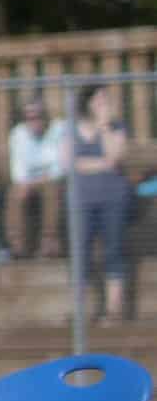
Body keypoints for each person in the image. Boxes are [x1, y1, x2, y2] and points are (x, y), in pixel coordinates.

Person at [67, 84, 133, 323]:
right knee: (80, 253)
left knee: (113, 251)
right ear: (89, 103)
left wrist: (104, 127)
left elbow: (115, 157)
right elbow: (69, 163)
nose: (105, 103)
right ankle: (80, 311)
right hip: (82, 201)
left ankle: (114, 310)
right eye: (100, 99)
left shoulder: (117, 127)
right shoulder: (73, 129)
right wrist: (102, 163)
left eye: (107, 99)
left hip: (113, 199)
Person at [3, 93, 67, 261]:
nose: (34, 121)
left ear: (45, 116)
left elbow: (61, 168)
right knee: (15, 193)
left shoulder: (60, 129)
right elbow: (18, 172)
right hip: (30, 182)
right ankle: (17, 247)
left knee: (52, 188)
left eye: (38, 116)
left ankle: (49, 243)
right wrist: (30, 182)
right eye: (29, 117)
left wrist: (38, 180)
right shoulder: (18, 135)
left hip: (57, 181)